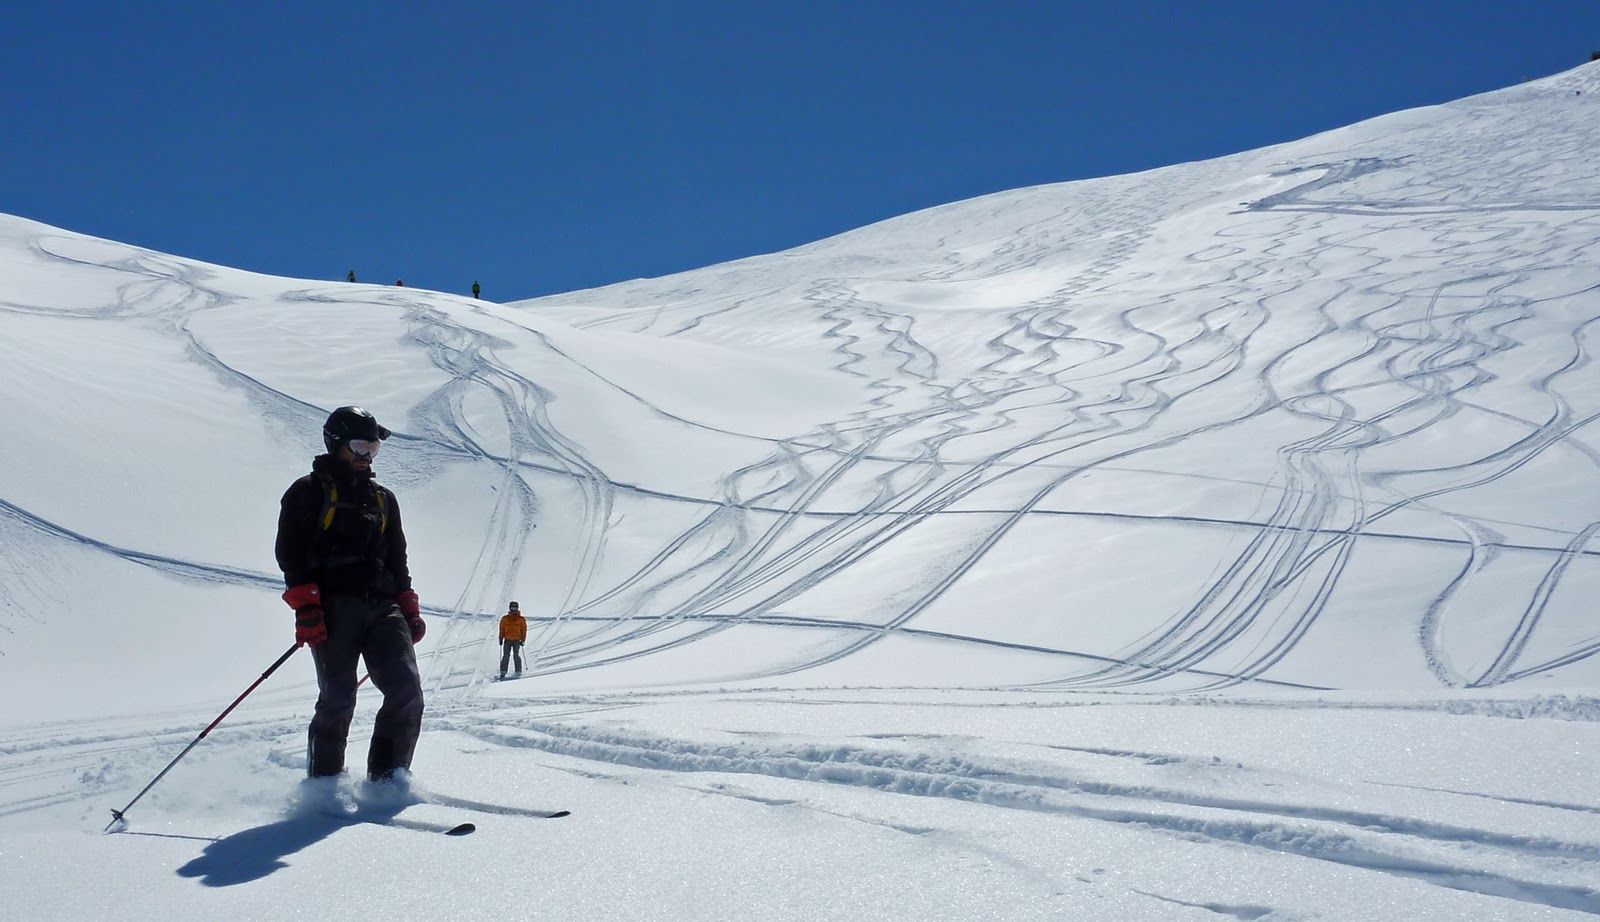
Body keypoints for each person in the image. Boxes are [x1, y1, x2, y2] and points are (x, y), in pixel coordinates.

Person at [275, 406, 426, 782]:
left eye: (373, 449)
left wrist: (407, 605)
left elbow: (397, 557)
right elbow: (290, 554)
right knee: (338, 698)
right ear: (335, 444)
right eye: (359, 446)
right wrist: (307, 608)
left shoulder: (383, 499)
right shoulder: (306, 493)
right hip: (333, 610)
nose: (366, 457)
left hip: (383, 608)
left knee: (406, 691)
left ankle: (388, 780)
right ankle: (324, 786)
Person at [498, 601, 526, 678]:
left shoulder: (521, 619)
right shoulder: (505, 618)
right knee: (506, 656)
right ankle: (503, 671)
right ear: (510, 608)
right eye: (512, 607)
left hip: (517, 640)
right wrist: (500, 638)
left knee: (516, 655)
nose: (513, 609)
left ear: (517, 608)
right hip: (507, 640)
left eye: (515, 607)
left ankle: (518, 671)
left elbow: (523, 630)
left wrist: (523, 640)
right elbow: (502, 629)